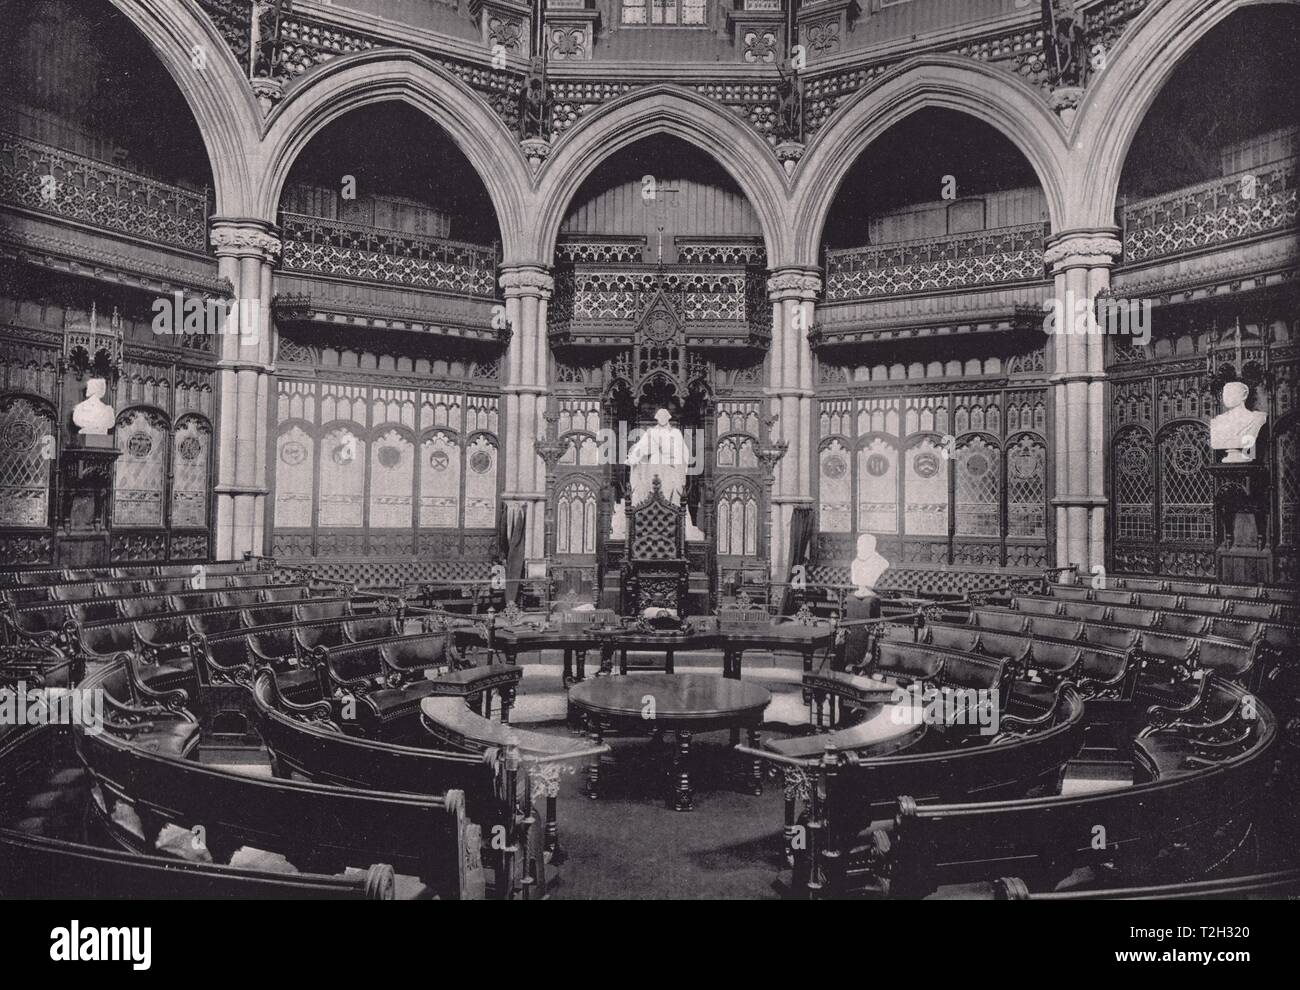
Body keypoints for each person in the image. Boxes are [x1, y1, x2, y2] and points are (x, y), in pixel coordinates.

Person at [621, 408, 706, 540]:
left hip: (670, 467)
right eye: (659, 416)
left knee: (669, 493)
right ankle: (651, 526)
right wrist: (633, 458)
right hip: (654, 466)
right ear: (656, 418)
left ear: (668, 418)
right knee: (653, 491)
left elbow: (683, 451)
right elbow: (641, 447)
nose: (662, 419)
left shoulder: (676, 433)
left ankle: (669, 527)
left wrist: (673, 457)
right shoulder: (651, 432)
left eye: (664, 416)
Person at [1210, 381, 1267, 463]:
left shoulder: (1257, 418)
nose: (1226, 397)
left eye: (1231, 393)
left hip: (1246, 460)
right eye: (1224, 393)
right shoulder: (1217, 421)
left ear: (1244, 395)